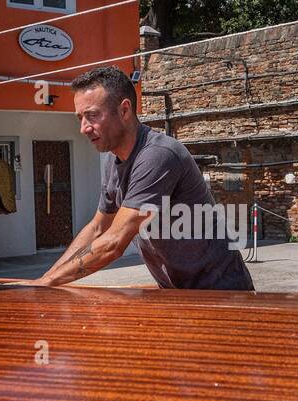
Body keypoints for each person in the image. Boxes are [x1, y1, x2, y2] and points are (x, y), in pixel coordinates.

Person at [32, 65, 255, 290]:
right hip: (178, 294)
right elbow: (98, 229)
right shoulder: (114, 160)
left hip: (221, 292)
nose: (83, 128)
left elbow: (114, 242)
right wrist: (45, 279)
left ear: (125, 110)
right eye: (80, 118)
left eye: (92, 116)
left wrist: (49, 282)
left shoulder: (158, 155)